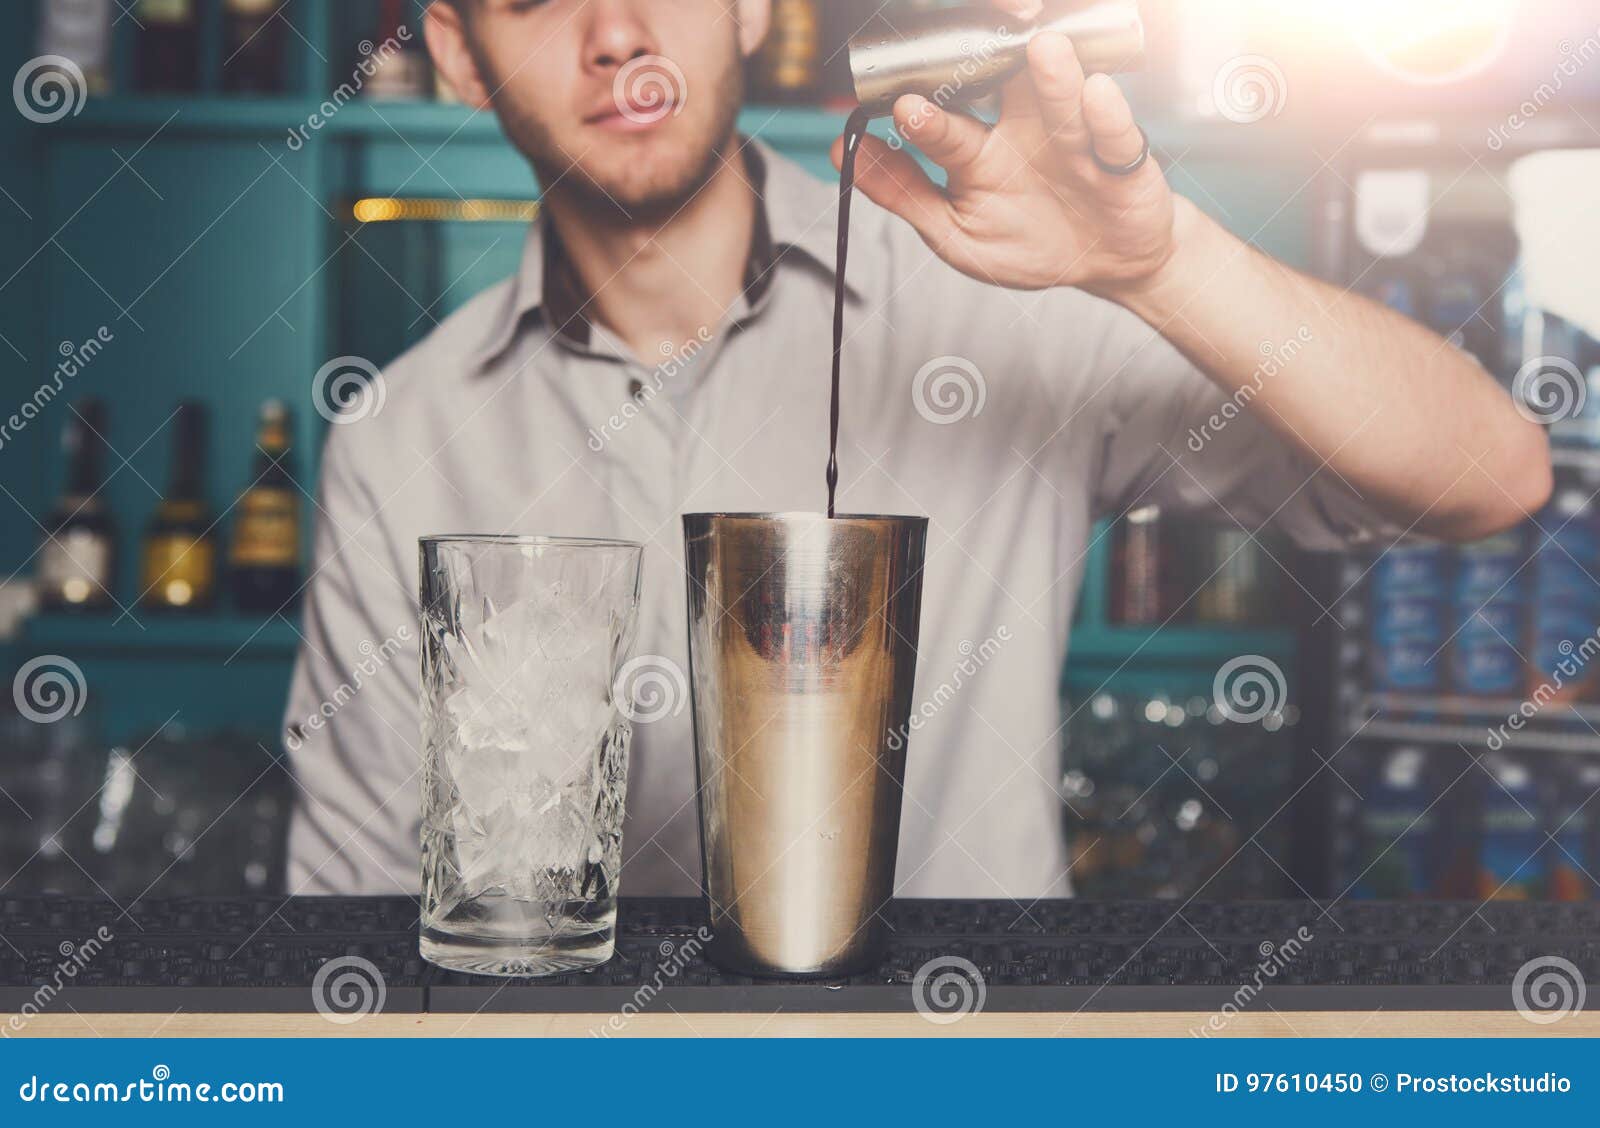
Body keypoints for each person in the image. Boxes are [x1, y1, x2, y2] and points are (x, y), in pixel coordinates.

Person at [283, 0, 1550, 897]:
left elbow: (1489, 477)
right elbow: (357, 905)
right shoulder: (401, 439)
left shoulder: (998, 299)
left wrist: (1160, 266)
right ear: (459, 51)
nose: (615, 32)